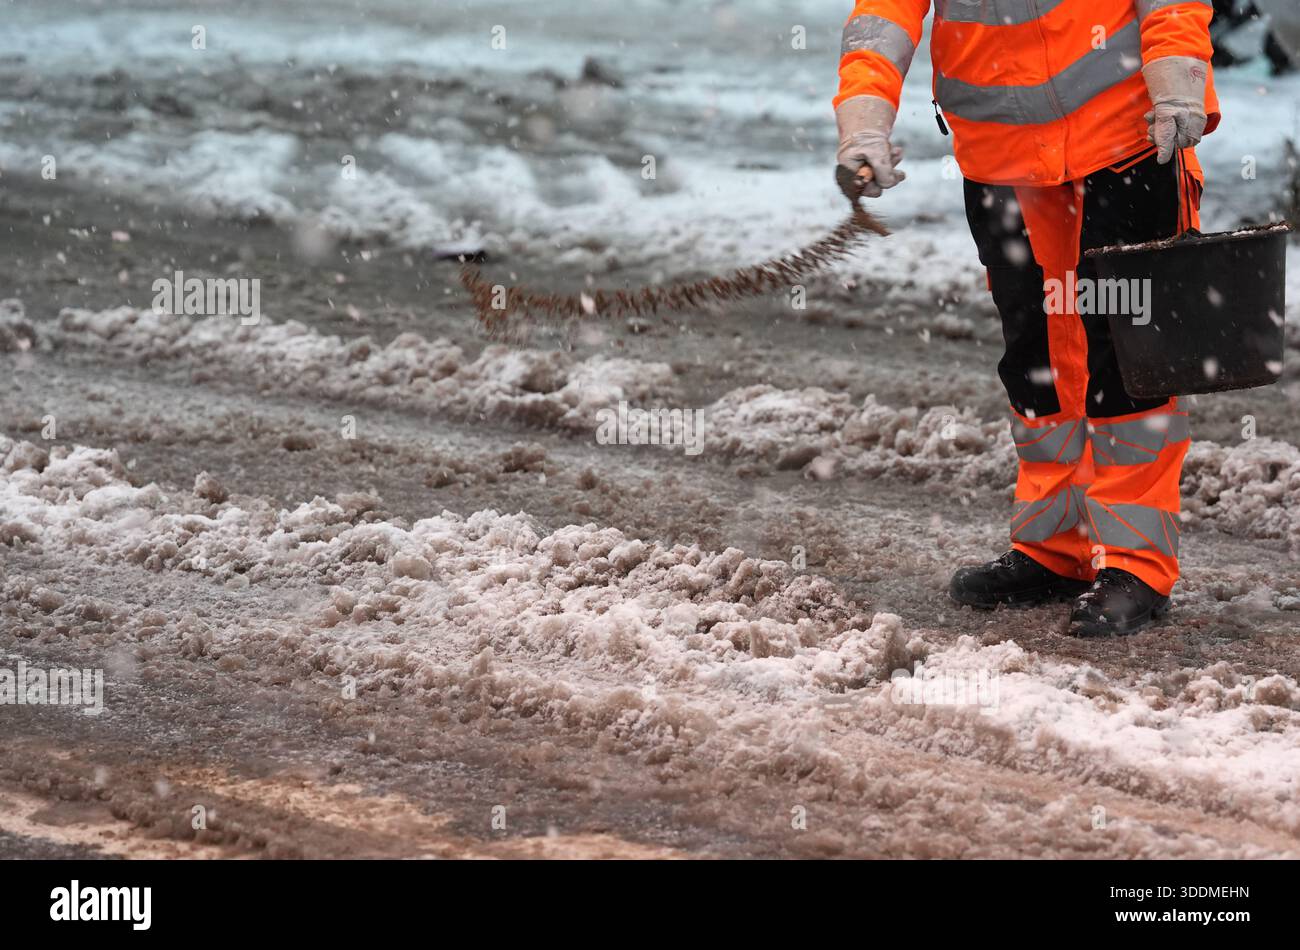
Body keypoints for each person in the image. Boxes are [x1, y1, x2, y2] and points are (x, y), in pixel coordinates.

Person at [833, 1, 1219, 636]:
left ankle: (1135, 565)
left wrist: (1178, 82)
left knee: (1125, 361)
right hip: (999, 158)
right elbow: (883, 18)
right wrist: (863, 121)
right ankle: (1054, 550)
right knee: (1036, 362)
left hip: (1125, 138)